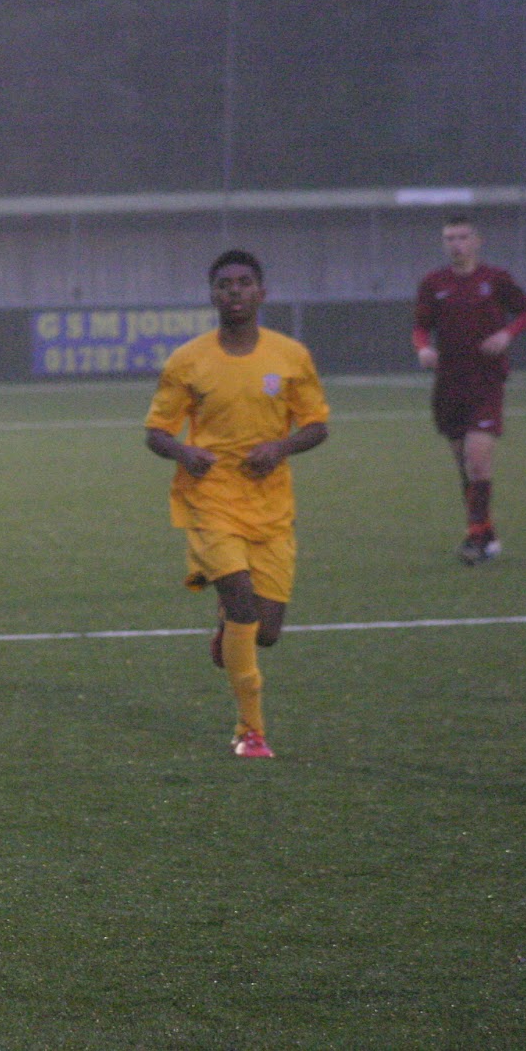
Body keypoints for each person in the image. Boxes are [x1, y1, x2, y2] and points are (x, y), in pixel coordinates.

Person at [144, 251, 329, 759]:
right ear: (212, 295)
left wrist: (281, 447)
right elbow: (156, 433)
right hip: (211, 500)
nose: (235, 292)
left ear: (261, 293)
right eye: (224, 285)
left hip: (271, 507)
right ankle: (251, 732)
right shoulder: (188, 360)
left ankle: (230, 625)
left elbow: (317, 425)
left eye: (245, 283)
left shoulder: (290, 356)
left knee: (264, 633)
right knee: (246, 604)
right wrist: (184, 450)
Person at [411, 214, 526, 564]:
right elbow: (420, 327)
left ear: (477, 241)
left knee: (478, 460)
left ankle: (476, 541)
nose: (457, 244)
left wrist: (505, 334)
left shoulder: (495, 279)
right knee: (465, 466)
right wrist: (423, 348)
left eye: (463, 237)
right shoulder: (433, 283)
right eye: (450, 238)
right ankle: (485, 530)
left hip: (486, 382)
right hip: (449, 385)